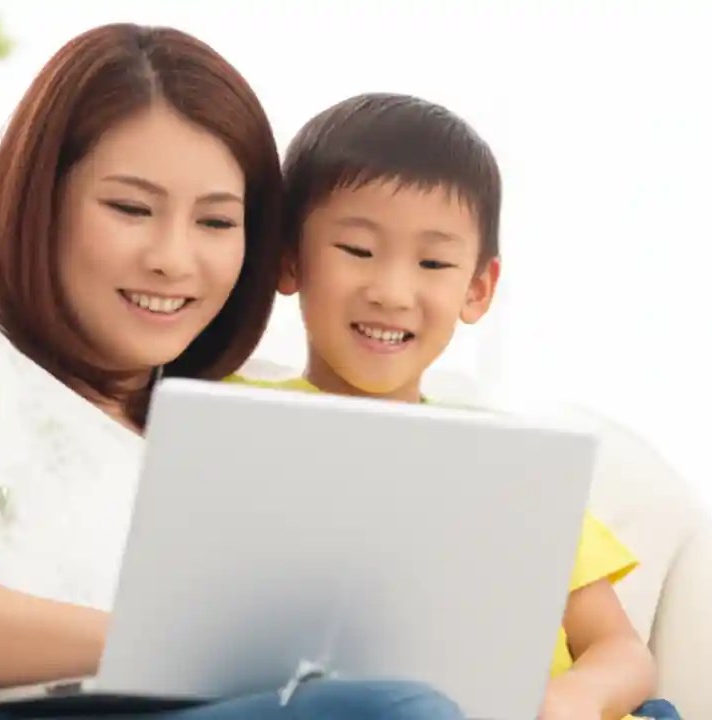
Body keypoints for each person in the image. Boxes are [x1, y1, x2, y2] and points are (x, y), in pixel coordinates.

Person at [0, 25, 464, 720]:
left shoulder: (225, 416)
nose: (172, 258)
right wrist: (176, 647)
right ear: (42, 200)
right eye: (131, 209)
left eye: (216, 223)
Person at [228, 93, 683, 720]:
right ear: (288, 259)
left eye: (434, 262)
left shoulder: (512, 464)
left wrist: (575, 696)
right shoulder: (234, 420)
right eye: (357, 250)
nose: (392, 292)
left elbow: (621, 649)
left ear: (477, 288)